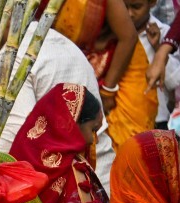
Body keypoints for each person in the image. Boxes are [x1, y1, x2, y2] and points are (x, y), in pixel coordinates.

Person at [0, 0, 115, 186]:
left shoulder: (11, 57)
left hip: (70, 186)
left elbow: (12, 139)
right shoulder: (53, 38)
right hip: (99, 173)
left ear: (5, 15)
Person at [52, 0, 156, 148]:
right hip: (70, 59)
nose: (130, 13)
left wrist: (108, 90)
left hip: (121, 64)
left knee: (131, 141)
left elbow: (128, 37)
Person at [127, 0, 180, 126]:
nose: (129, 14)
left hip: (157, 120)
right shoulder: (114, 34)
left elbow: (176, 81)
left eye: (136, 7)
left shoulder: (167, 35)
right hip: (121, 120)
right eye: (124, 7)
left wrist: (158, 48)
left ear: (152, 2)